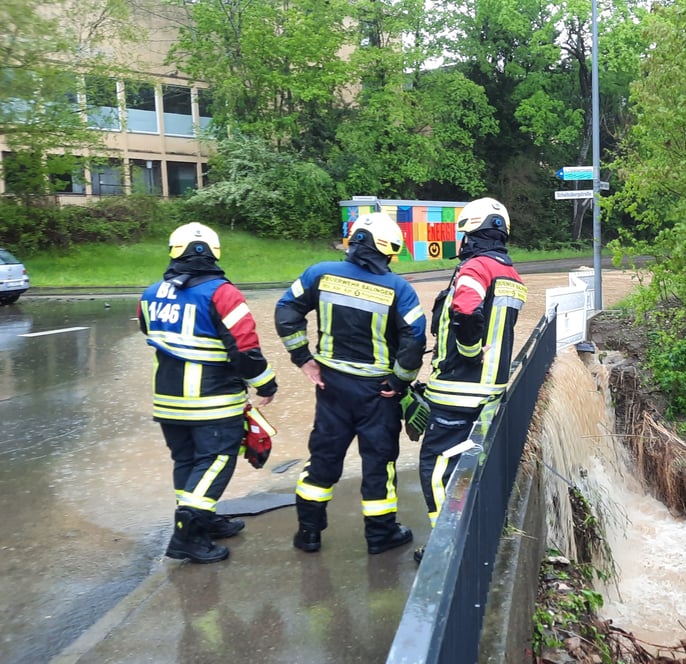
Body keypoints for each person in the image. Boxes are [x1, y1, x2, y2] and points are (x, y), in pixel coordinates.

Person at [276, 211, 427, 555]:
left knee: (323, 458)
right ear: (386, 250)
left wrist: (303, 359)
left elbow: (286, 311)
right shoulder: (398, 289)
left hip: (331, 387)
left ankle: (309, 534)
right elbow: (415, 338)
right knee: (379, 463)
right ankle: (380, 535)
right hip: (377, 393)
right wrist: (400, 382)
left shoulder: (319, 274)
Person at [139, 222, 277, 564]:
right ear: (214, 253)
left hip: (169, 402)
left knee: (187, 463)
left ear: (174, 252)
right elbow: (245, 351)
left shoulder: (151, 293)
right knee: (215, 462)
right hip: (212, 403)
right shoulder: (223, 294)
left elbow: (148, 329)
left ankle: (204, 519)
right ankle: (188, 534)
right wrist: (266, 383)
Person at [415, 197, 527, 563]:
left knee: (437, 471)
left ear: (471, 232)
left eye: (462, 233)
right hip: (488, 393)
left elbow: (465, 310)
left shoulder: (475, 269)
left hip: (456, 393)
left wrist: (465, 353)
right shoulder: (511, 275)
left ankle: (445, 551)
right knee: (468, 465)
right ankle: (469, 535)